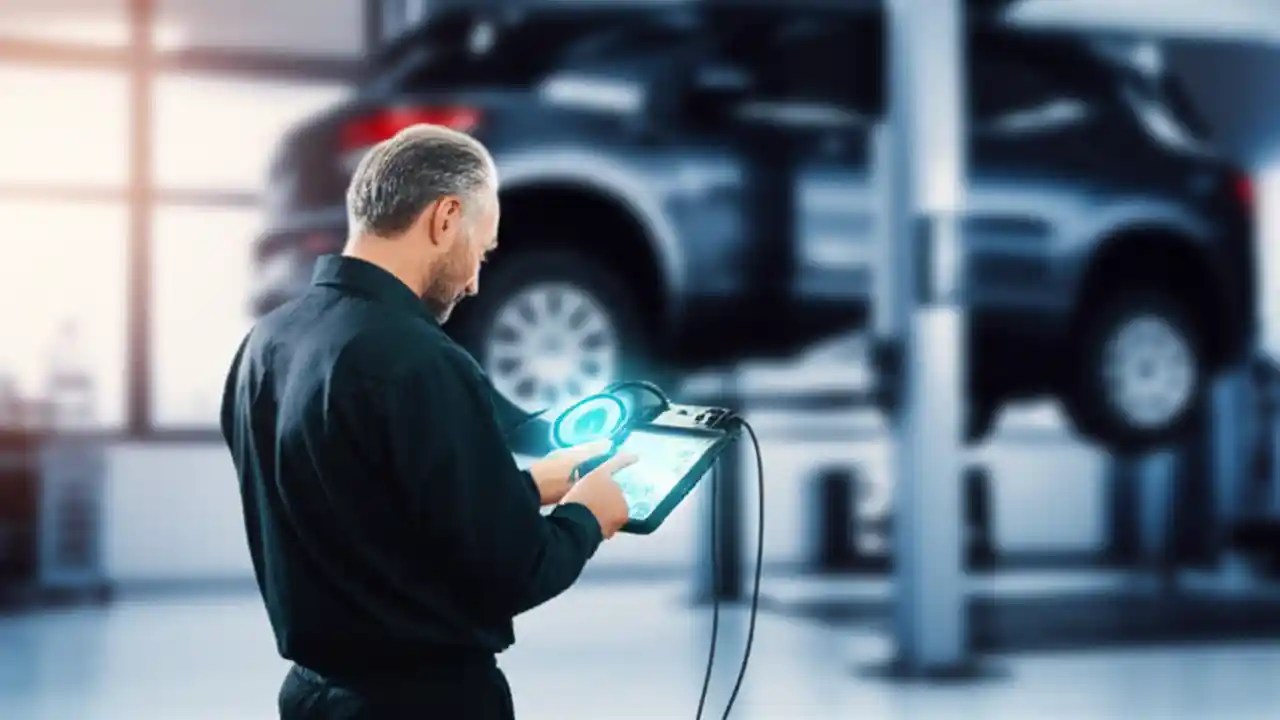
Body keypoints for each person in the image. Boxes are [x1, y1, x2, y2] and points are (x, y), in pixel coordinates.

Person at [219, 124, 636, 719]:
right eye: (481, 252)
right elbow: (515, 572)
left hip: (310, 698)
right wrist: (587, 517)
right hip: (424, 703)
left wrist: (521, 490)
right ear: (445, 218)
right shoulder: (419, 359)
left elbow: (367, 514)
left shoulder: (267, 343)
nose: (474, 282)